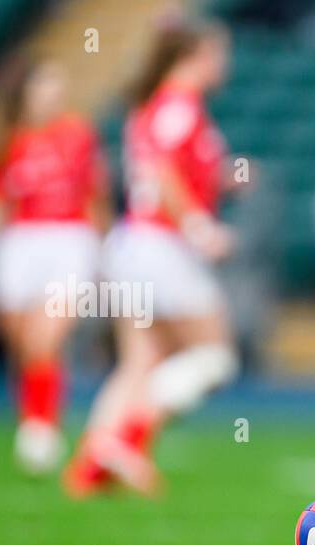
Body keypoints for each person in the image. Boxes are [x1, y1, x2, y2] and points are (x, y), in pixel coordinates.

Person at [64, 17, 240, 497]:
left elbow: (170, 166)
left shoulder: (156, 105)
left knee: (141, 360)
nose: (224, 64)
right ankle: (127, 439)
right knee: (214, 357)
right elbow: (162, 170)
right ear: (196, 56)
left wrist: (222, 180)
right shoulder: (179, 104)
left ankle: (91, 463)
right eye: (218, 54)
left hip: (137, 245)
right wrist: (199, 226)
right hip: (161, 247)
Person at [0, 59, 108, 474]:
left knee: (46, 337)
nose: (54, 93)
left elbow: (96, 192)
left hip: (69, 239)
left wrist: (101, 250)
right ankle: (33, 422)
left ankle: (42, 427)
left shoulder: (78, 135)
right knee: (23, 345)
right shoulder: (5, 138)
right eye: (45, 84)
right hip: (20, 242)